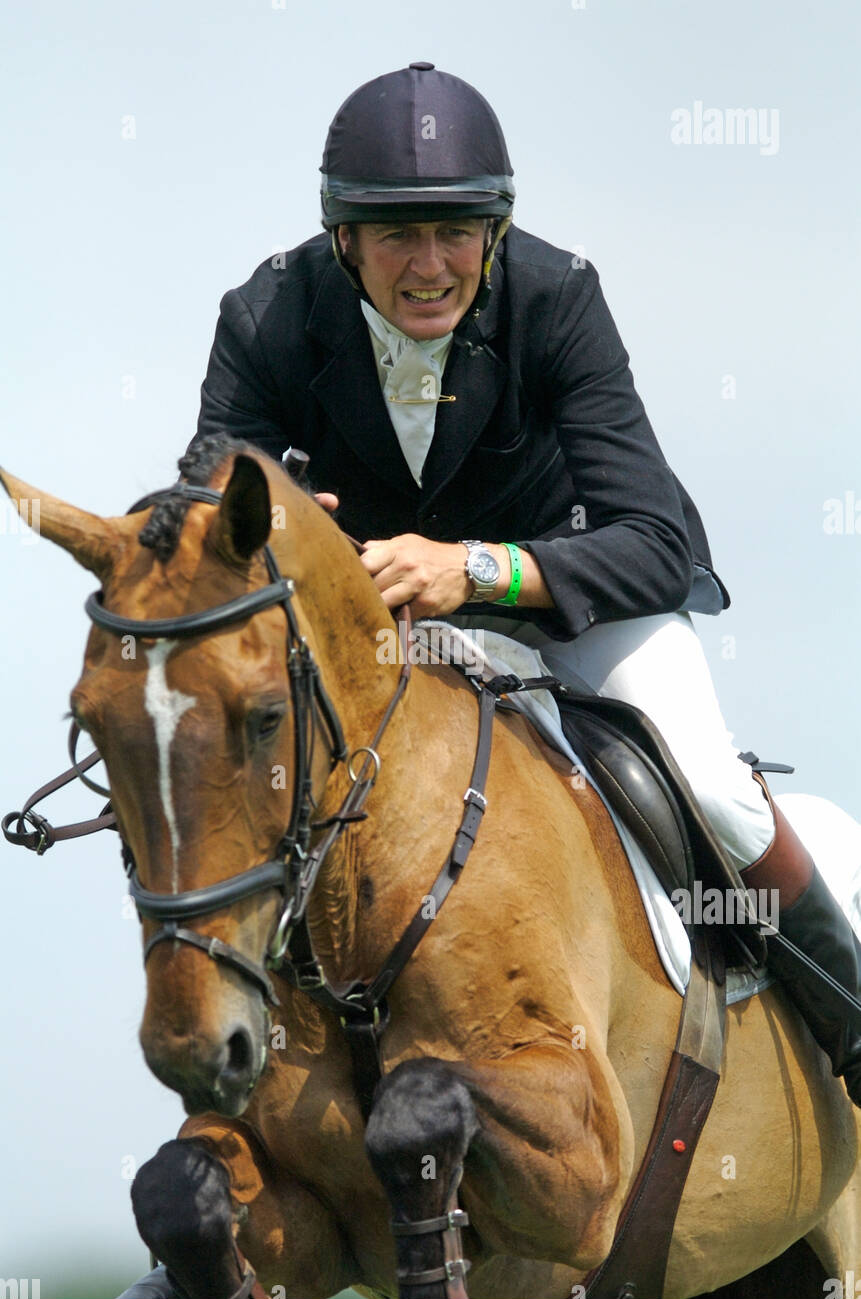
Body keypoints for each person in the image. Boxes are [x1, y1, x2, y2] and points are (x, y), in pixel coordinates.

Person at [190, 62, 861, 1105]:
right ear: (343, 240)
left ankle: (848, 1019)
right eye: (398, 236)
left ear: (495, 234)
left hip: (573, 599)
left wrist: (476, 568)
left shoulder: (558, 298)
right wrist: (279, 528)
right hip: (388, 627)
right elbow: (212, 512)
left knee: (711, 780)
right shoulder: (266, 317)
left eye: (458, 231)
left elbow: (653, 539)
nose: (430, 265)